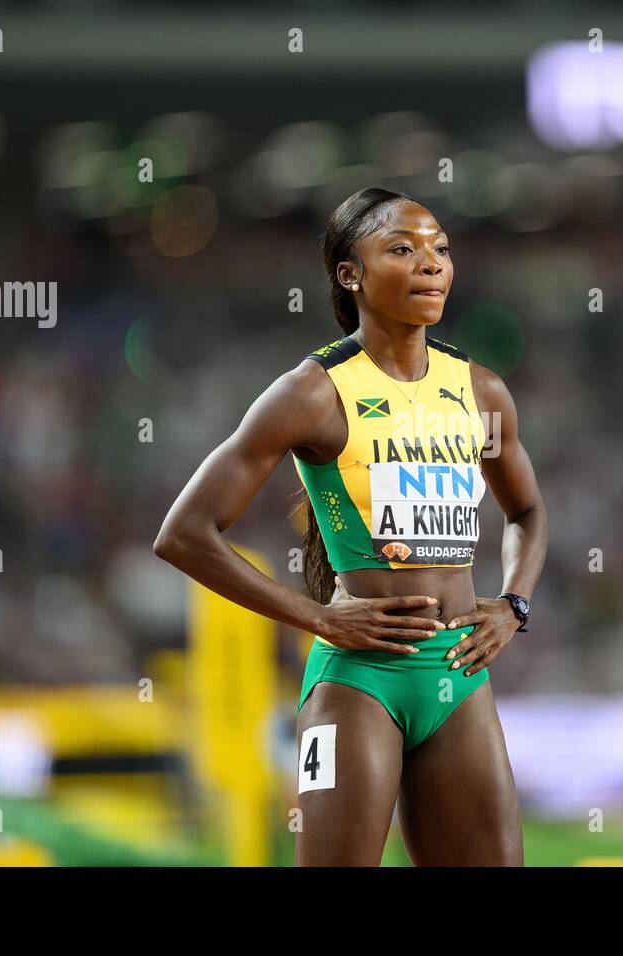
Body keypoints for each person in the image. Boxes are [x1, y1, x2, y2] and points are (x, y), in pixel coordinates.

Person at [154, 186, 547, 865]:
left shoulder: (479, 392)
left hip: (459, 672)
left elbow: (528, 512)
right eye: (403, 249)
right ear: (350, 273)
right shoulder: (313, 392)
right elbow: (184, 534)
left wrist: (514, 605)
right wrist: (319, 619)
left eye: (441, 250)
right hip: (358, 680)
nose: (431, 264)